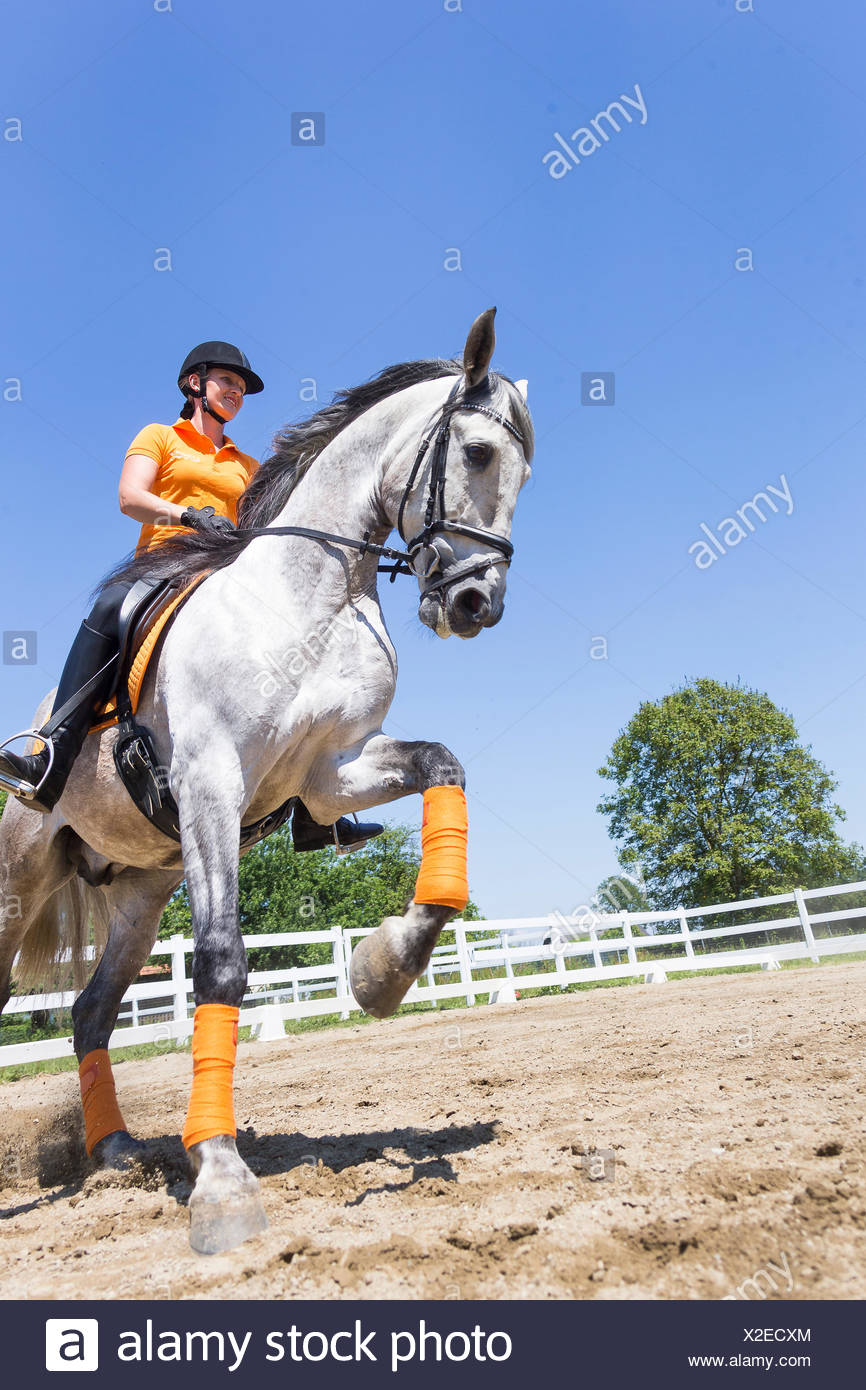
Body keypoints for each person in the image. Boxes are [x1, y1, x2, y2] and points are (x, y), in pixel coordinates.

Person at [0, 341, 382, 853]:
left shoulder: (247, 463)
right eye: (228, 382)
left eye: (243, 389)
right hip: (162, 565)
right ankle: (52, 755)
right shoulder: (160, 436)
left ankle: (320, 814)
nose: (237, 393)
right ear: (194, 384)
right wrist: (186, 517)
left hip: (226, 574)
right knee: (110, 604)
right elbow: (130, 498)